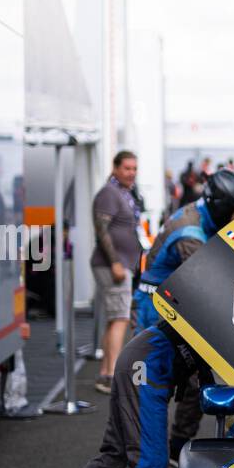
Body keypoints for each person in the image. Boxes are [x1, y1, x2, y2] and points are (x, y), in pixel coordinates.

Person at [17, 190, 234, 468]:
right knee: (149, 460)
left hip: (142, 362)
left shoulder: (206, 237)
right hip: (146, 368)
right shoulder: (194, 241)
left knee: (114, 458)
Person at [136, 168, 234, 459]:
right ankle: (147, 453)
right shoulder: (190, 233)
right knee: (154, 383)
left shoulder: (206, 216)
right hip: (157, 309)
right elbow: (209, 278)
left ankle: (177, 446)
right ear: (221, 206)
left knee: (196, 379)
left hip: (182, 304)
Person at [91, 150, 141, 393]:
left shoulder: (123, 193)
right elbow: (101, 230)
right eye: (127, 168)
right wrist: (115, 263)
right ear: (115, 168)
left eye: (134, 169)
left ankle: (105, 373)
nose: (131, 173)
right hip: (113, 265)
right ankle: (111, 375)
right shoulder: (109, 194)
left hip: (121, 264)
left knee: (115, 319)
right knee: (120, 318)